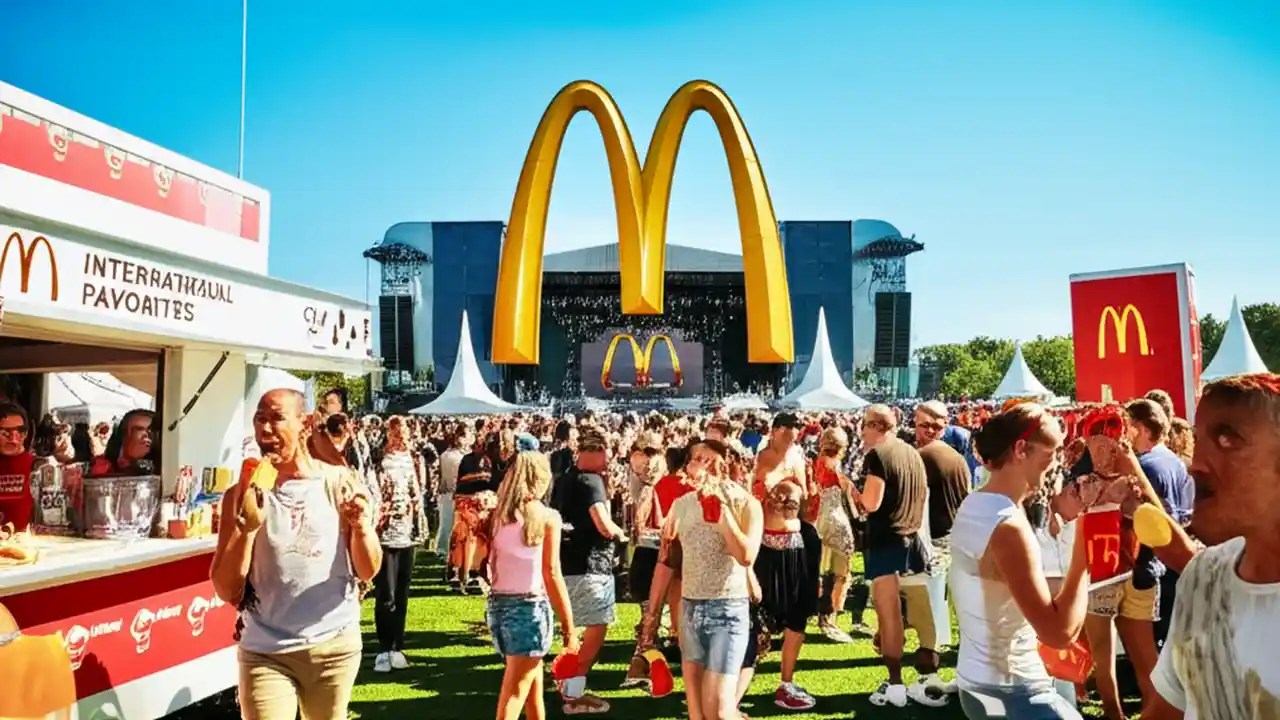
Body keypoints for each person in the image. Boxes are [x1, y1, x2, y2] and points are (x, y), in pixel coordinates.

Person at [210, 389, 381, 720]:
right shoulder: (241, 494)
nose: (266, 429)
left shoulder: (340, 482)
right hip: (265, 650)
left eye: (276, 418)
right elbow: (225, 588)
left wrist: (360, 526)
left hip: (334, 644)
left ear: (305, 424)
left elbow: (368, 570)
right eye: (260, 419)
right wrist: (246, 528)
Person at [1144, 374, 1280, 720]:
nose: (1195, 465)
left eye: (1228, 439)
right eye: (1199, 437)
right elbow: (1169, 710)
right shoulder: (1203, 576)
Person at [950, 402, 1089, 720]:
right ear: (1021, 449)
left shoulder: (975, 503)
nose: (1056, 464)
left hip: (978, 685)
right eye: (1051, 453)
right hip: (1014, 691)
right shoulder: (1008, 524)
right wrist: (1085, 554)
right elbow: (1058, 633)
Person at [653, 439, 762, 720]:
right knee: (697, 712)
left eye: (708, 458)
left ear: (725, 464)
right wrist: (652, 615)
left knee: (720, 710)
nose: (701, 464)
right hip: (689, 609)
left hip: (727, 609)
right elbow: (666, 560)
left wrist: (724, 518)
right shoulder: (681, 504)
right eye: (695, 458)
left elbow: (747, 556)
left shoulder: (745, 504)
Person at [849, 404, 931, 708]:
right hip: (911, 538)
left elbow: (870, 503)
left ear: (876, 426)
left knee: (889, 613)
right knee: (904, 611)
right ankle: (915, 673)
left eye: (864, 425)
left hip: (887, 540)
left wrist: (849, 490)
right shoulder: (913, 454)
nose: (861, 431)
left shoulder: (879, 455)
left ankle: (895, 683)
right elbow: (922, 497)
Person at [486, 451, 578, 720]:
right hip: (530, 608)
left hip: (500, 606)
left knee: (532, 687)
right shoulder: (548, 518)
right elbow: (552, 573)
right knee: (515, 692)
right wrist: (569, 628)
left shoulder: (498, 515)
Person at [550, 427, 626, 714]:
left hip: (566, 564)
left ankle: (567, 683)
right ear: (592, 452)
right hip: (591, 565)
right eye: (606, 452)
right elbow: (603, 524)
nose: (609, 459)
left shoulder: (564, 479)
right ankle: (573, 690)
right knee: (596, 629)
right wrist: (622, 534)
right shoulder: (592, 481)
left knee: (572, 630)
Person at [908, 401, 971, 700]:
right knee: (961, 616)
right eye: (925, 425)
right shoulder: (957, 458)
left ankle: (928, 681)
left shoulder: (920, 457)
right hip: (958, 542)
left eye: (936, 425)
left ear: (945, 426)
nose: (929, 430)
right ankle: (963, 676)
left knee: (928, 620)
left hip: (931, 544)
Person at [756, 480, 821, 710]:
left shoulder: (808, 533)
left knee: (796, 627)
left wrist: (812, 596)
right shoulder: (755, 525)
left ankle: (786, 682)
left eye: (790, 502)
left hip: (796, 588)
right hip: (762, 589)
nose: (781, 503)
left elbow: (813, 571)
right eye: (777, 496)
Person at [371, 416, 425, 673]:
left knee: (402, 593)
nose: (400, 437)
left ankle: (396, 646)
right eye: (395, 432)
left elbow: (419, 491)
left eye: (403, 432)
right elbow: (375, 492)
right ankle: (383, 648)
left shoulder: (413, 460)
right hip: (385, 534)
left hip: (408, 533)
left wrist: (416, 508)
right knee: (386, 593)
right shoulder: (379, 461)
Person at [89, 409, 158, 477]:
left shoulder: (162, 467)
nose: (146, 436)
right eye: (139, 429)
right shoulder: (102, 467)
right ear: (123, 436)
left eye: (151, 431)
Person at [0, 404, 35, 531]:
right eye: (5, 432)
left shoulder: (37, 466)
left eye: (20, 432)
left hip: (24, 543)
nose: (14, 440)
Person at [436, 425, 466, 560]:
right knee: (447, 523)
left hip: (451, 492)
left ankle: (446, 548)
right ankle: (443, 549)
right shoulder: (450, 456)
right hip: (449, 492)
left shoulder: (451, 454)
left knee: (449, 523)